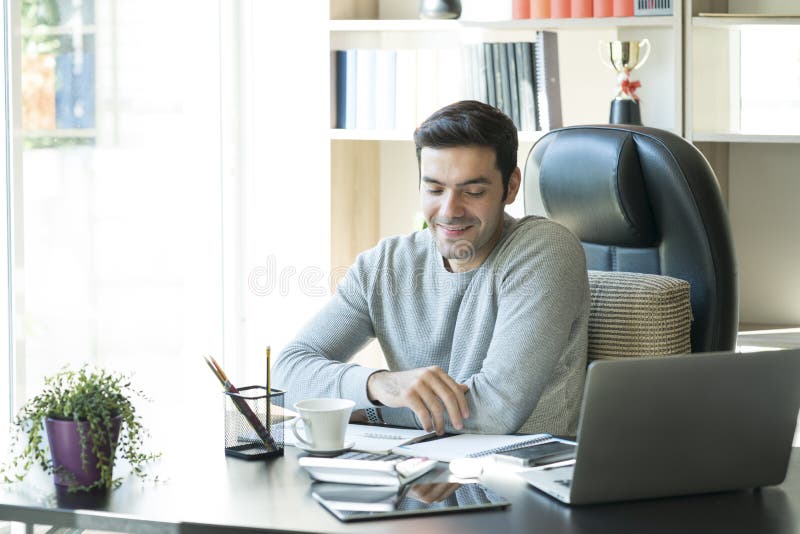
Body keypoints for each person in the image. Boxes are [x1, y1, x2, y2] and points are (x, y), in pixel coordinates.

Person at [274, 100, 589, 437]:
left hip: (517, 481)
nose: (450, 210)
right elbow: (287, 372)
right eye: (435, 189)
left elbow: (494, 413)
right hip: (420, 469)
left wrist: (367, 412)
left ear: (511, 186)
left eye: (473, 191)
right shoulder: (385, 264)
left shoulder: (545, 250)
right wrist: (379, 385)